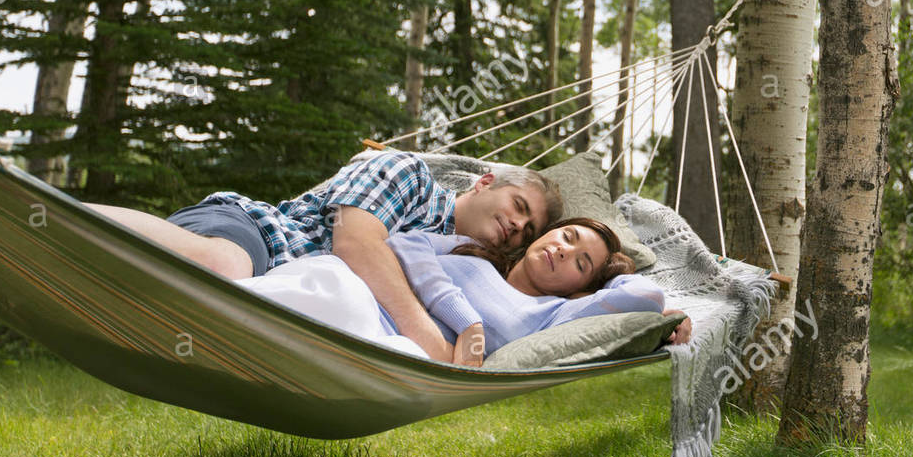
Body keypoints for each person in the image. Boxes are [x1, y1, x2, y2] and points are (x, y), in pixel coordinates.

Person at [88, 148, 564, 361]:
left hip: (289, 303)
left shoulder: (467, 263)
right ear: (484, 183)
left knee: (234, 292)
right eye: (518, 207)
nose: (517, 227)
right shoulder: (408, 173)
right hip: (260, 236)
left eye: (527, 230)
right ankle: (64, 215)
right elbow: (354, 241)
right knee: (223, 270)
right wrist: (429, 342)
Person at [383, 216, 693, 365]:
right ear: (549, 232)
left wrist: (613, 275)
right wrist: (463, 318)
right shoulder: (476, 249)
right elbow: (404, 243)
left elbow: (644, 298)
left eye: (581, 264)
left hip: (382, 346)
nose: (563, 251)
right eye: (567, 236)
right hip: (358, 287)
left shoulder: (551, 315)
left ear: (581, 289)